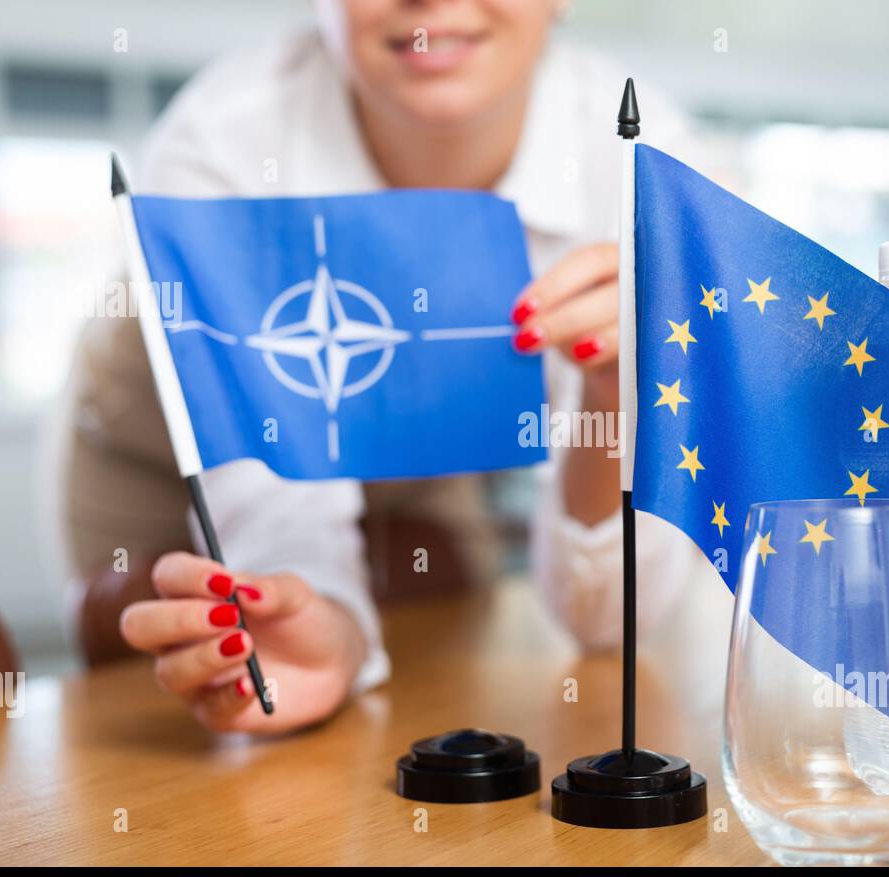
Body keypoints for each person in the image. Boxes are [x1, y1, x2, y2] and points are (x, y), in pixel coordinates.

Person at [61, 0, 700, 733]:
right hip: (152, 446)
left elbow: (609, 622)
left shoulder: (643, 158)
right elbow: (274, 497)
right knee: (142, 644)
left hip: (421, 446)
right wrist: (326, 632)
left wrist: (612, 391)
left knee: (440, 603)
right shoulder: (222, 139)